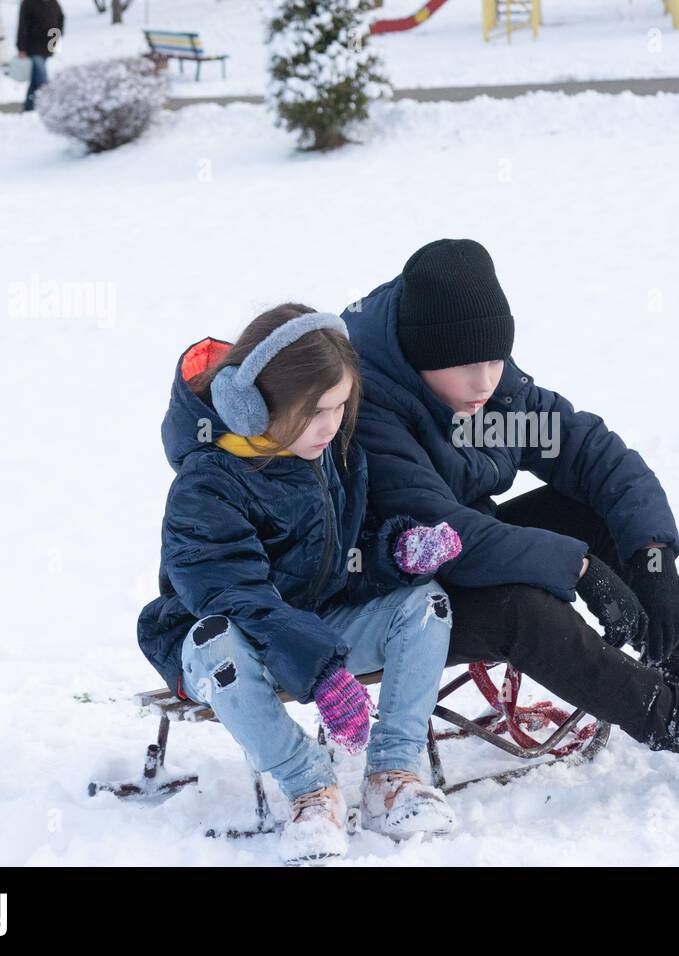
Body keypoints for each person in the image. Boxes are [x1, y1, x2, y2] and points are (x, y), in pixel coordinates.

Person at [341, 239, 679, 794]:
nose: (485, 381)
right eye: (467, 366)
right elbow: (443, 535)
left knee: (592, 510)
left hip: (461, 553)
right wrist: (579, 569)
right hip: (393, 593)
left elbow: (589, 453)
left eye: (495, 359)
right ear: (420, 355)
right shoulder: (370, 407)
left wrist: (653, 558)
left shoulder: (483, 390)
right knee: (523, 610)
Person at [137, 305, 464, 864]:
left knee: (426, 604)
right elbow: (235, 596)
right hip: (228, 641)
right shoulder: (206, 484)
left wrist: (396, 551)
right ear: (255, 405)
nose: (331, 423)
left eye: (339, 406)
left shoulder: (327, 454)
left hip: (310, 627)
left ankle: (392, 775)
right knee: (219, 644)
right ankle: (311, 791)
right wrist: (322, 668)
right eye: (315, 410)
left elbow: (346, 556)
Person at [16, 0, 64, 112]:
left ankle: (29, 107)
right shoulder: (28, 3)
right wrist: (21, 48)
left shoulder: (53, 3)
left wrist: (54, 41)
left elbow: (60, 20)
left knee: (35, 80)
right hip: (32, 47)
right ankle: (47, 106)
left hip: (47, 47)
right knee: (42, 79)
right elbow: (22, 25)